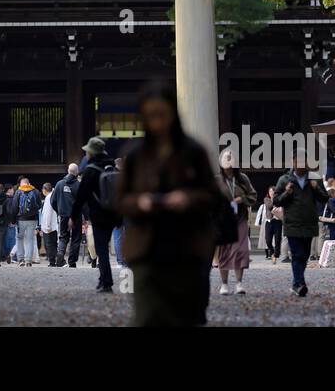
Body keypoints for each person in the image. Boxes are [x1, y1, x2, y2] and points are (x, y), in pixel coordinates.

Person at [116, 80, 221, 326]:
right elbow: (120, 200)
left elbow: (212, 195)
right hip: (146, 249)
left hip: (187, 247)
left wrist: (188, 198)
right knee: (147, 317)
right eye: (152, 116)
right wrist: (140, 202)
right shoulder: (135, 155)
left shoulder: (193, 152)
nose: (158, 122)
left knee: (186, 317)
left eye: (163, 115)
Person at [274, 152, 328, 296]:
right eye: (298, 162)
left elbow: (325, 199)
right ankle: (299, 284)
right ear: (293, 162)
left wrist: (316, 188)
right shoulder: (285, 180)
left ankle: (296, 283)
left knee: (304, 255)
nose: (301, 165)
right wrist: (287, 192)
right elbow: (276, 201)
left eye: (304, 162)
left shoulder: (314, 178)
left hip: (309, 223)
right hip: (292, 223)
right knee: (297, 254)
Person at [74, 136, 120, 293]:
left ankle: (107, 281)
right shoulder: (113, 168)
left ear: (91, 153)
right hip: (113, 213)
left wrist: (74, 216)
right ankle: (103, 279)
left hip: (98, 214)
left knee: (101, 249)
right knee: (104, 245)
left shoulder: (91, 170)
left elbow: (81, 196)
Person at [216, 149, 258, 295]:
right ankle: (224, 284)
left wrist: (242, 199)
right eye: (225, 160)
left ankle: (239, 283)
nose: (228, 163)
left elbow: (253, 195)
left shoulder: (242, 178)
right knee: (224, 251)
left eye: (230, 160)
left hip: (239, 218)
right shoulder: (216, 180)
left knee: (240, 250)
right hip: (223, 219)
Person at [51, 162, 81, 267]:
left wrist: (59, 211)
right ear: (77, 173)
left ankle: (60, 254)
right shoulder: (78, 185)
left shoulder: (59, 184)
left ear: (68, 171)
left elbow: (53, 201)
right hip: (76, 216)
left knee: (63, 236)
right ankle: (72, 261)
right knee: (76, 238)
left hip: (63, 215)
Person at [13, 177, 41, 266]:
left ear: (21, 184)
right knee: (30, 239)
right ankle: (28, 261)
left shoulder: (18, 192)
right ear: (29, 183)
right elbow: (39, 205)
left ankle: (21, 259)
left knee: (19, 238)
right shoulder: (35, 191)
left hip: (20, 219)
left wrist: (13, 220)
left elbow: (14, 207)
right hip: (32, 220)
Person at [39, 182, 58, 264]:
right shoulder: (53, 196)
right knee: (53, 244)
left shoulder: (48, 198)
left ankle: (52, 261)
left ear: (44, 189)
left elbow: (47, 213)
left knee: (49, 244)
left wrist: (47, 226)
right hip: (53, 225)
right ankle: (53, 260)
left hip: (49, 226)